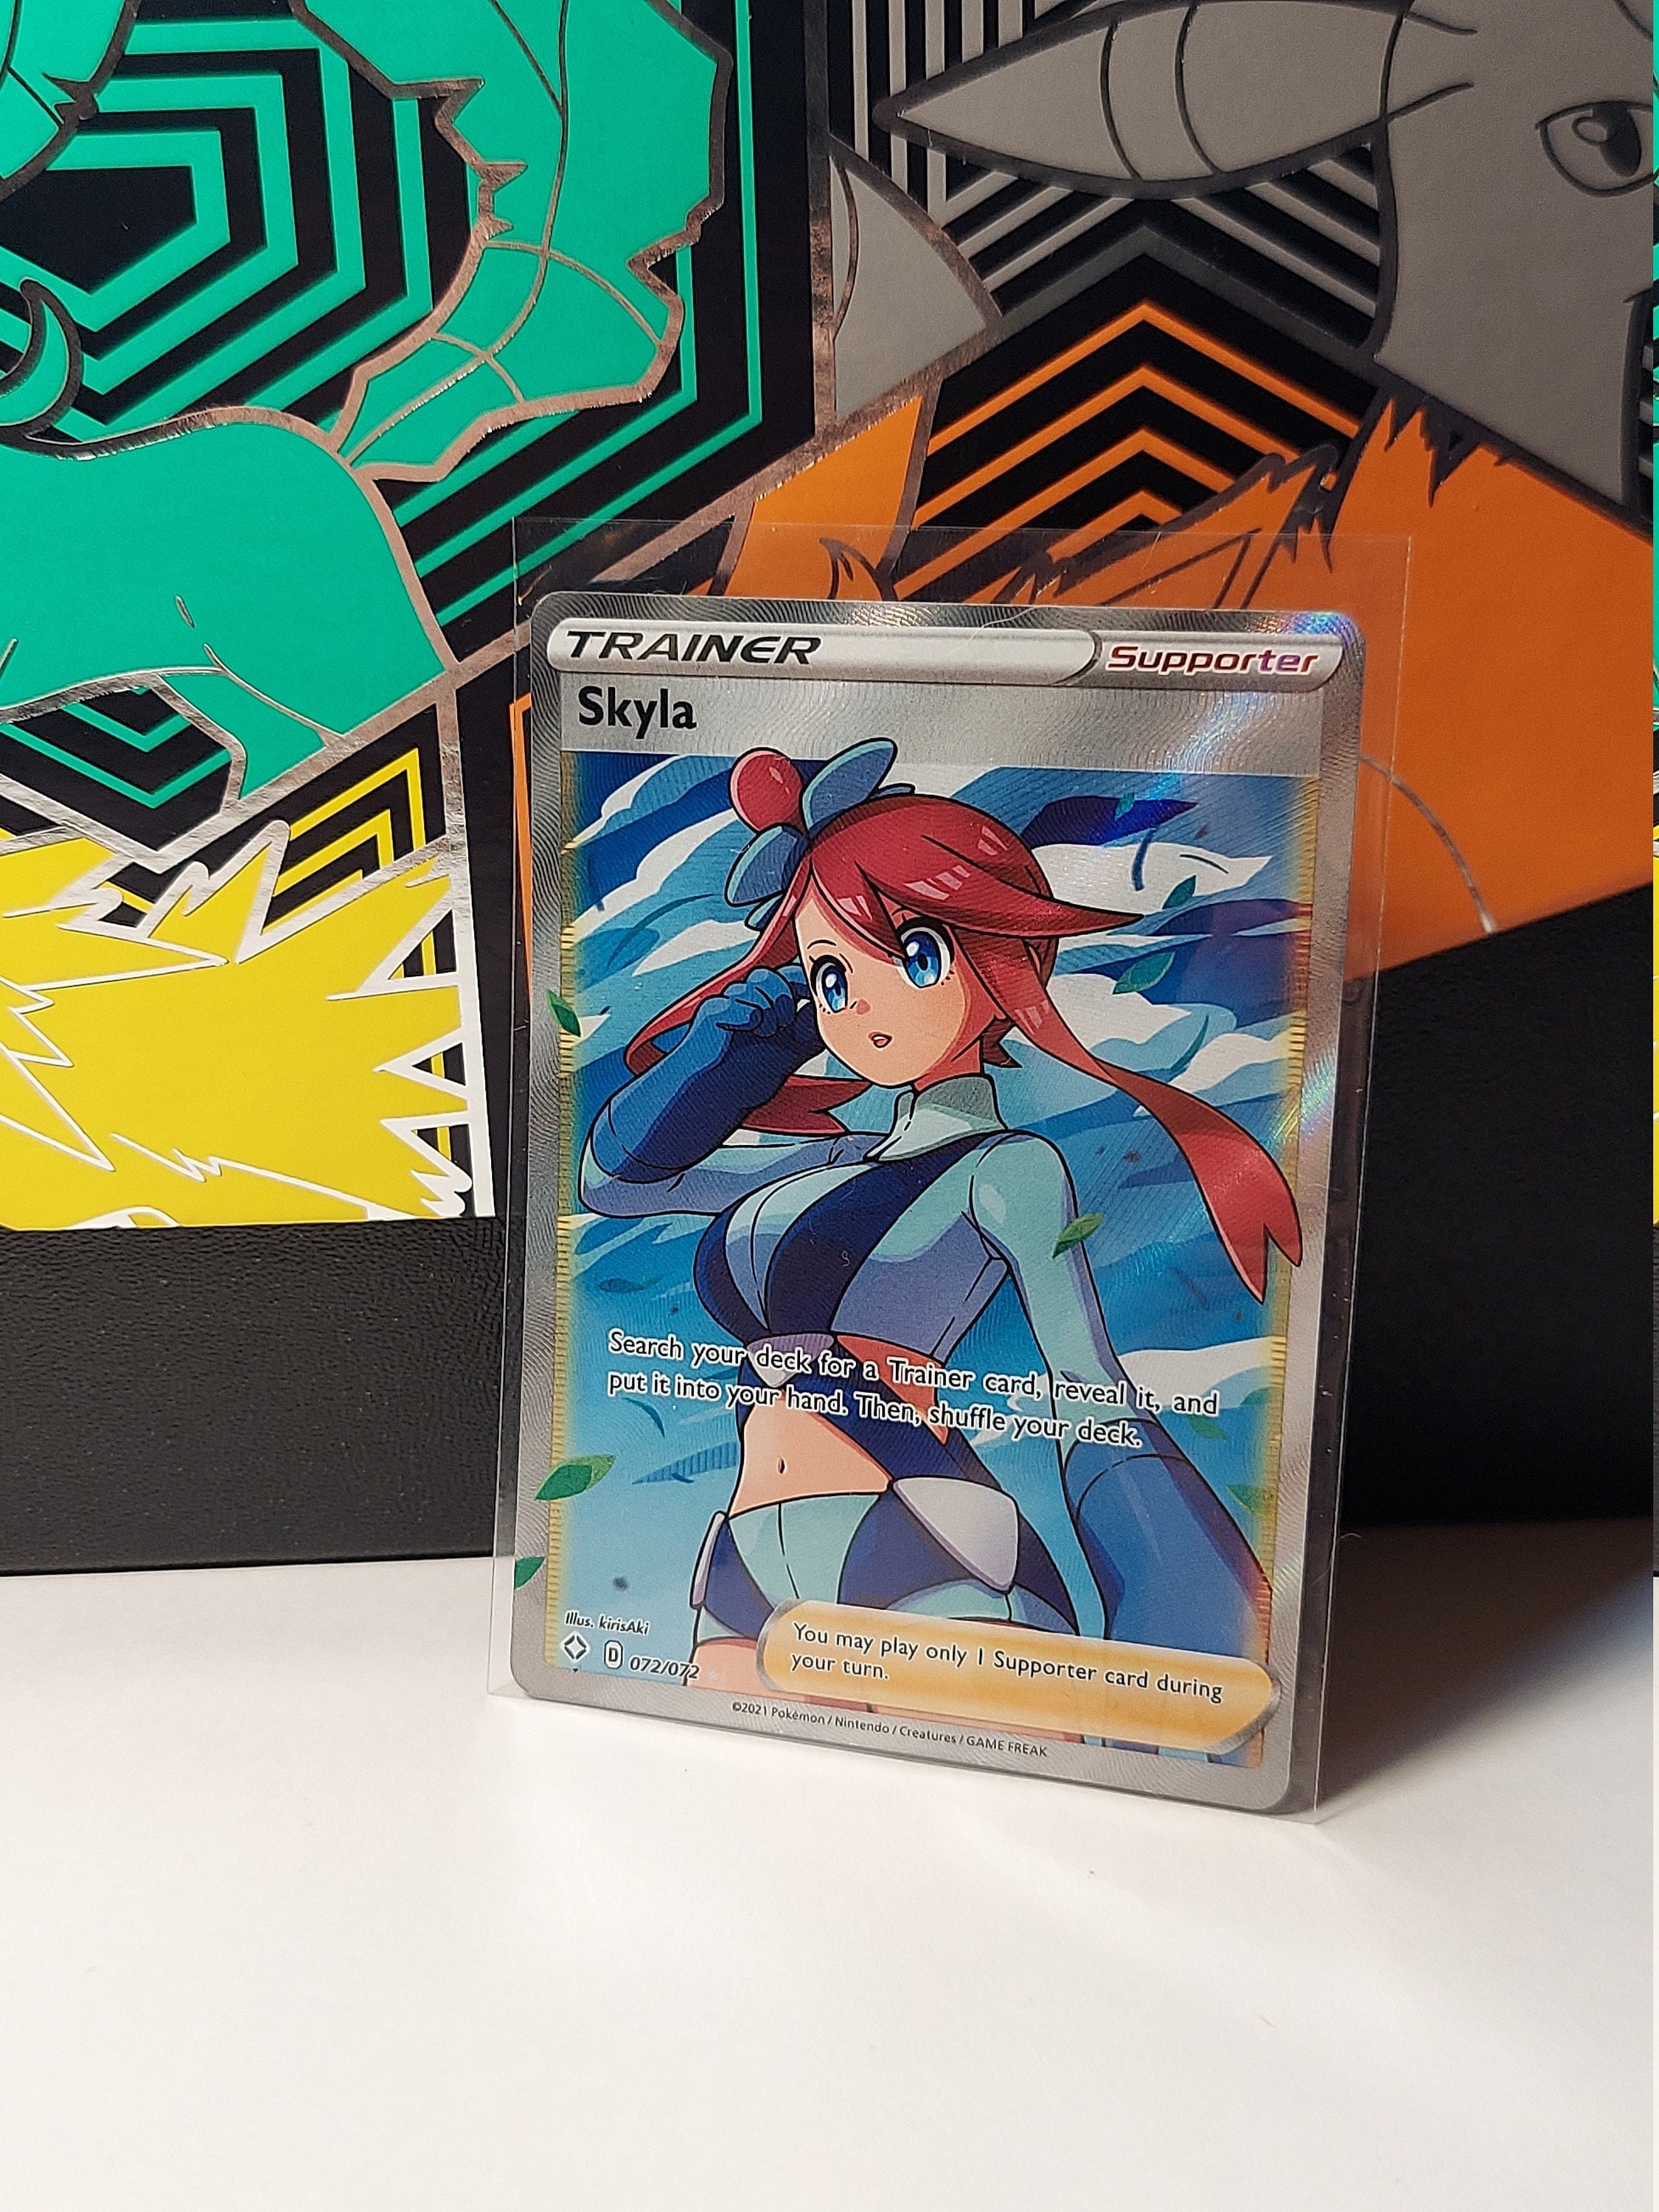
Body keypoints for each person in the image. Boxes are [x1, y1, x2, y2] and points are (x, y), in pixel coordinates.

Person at [580, 739, 1301, 1693]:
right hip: (748, 1553)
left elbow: (1088, 1386)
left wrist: (1179, 1614)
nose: (860, 1005)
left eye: (914, 955)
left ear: (1001, 955)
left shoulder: (1005, 1169)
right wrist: (715, 1067)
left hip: (923, 1534)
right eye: (830, 978)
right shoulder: (819, 1165)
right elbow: (613, 1183)